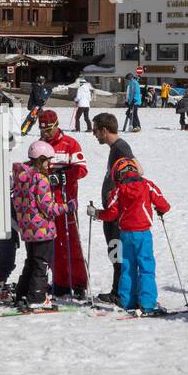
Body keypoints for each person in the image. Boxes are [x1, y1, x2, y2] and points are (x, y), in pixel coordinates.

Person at [93, 157, 170, 315]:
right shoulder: (147, 184)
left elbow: (111, 213)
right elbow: (164, 204)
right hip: (143, 234)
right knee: (146, 268)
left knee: (127, 268)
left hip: (126, 234)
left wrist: (97, 213)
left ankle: (128, 301)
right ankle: (148, 304)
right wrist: (160, 209)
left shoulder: (119, 190)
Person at [38, 110, 88, 298]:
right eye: (43, 130)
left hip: (66, 202)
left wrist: (62, 176)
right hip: (46, 204)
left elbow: (82, 169)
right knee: (53, 244)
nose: (46, 134)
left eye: (49, 130)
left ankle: (79, 282)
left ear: (57, 125)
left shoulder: (70, 144)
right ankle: (60, 282)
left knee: (71, 242)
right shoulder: (41, 145)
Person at [11, 140, 65, 312]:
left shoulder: (22, 177)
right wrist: (66, 207)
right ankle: (37, 297)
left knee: (31, 262)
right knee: (41, 263)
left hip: (28, 228)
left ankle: (23, 294)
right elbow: (47, 207)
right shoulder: (40, 179)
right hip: (42, 229)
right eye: (48, 160)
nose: (49, 164)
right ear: (41, 159)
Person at [91, 112, 135, 305]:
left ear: (104, 130)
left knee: (118, 253)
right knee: (114, 253)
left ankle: (120, 293)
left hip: (117, 214)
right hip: (111, 211)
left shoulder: (121, 148)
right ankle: (118, 290)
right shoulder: (115, 147)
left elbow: (134, 172)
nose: (93, 134)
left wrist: (118, 202)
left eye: (95, 130)